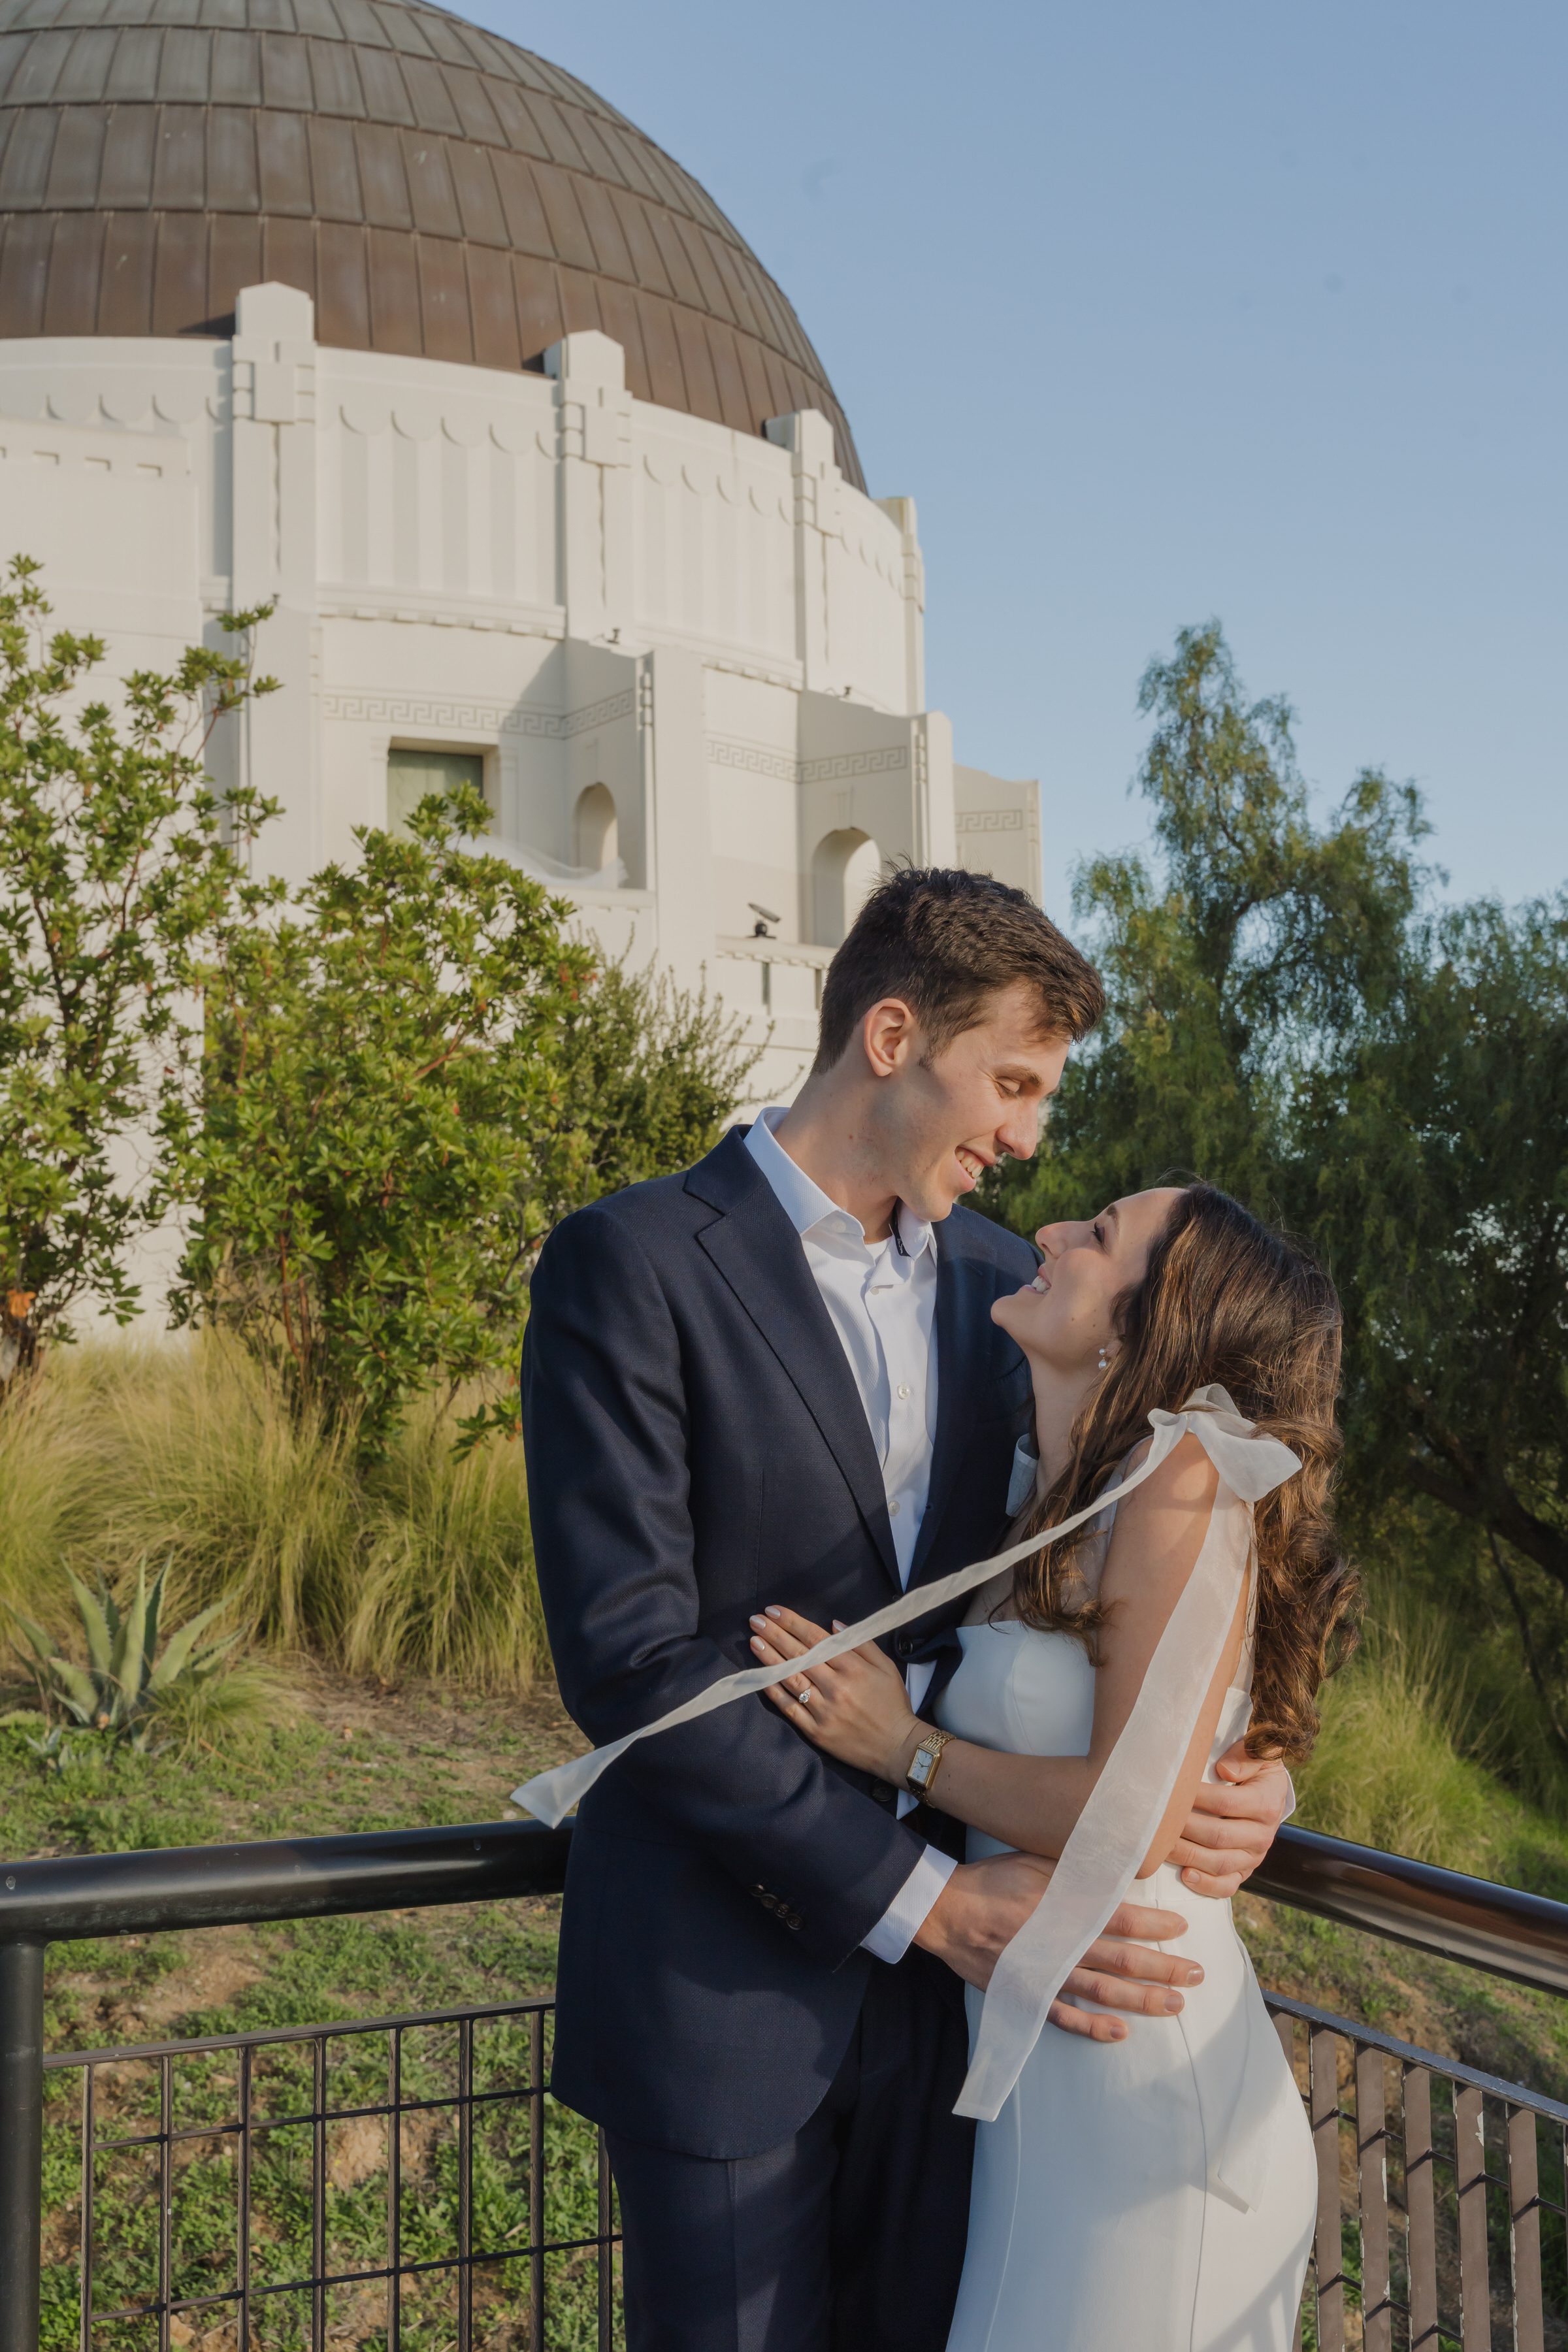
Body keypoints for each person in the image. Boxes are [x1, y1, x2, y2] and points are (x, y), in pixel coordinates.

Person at [521, 868, 1295, 2352]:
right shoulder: (626, 1265)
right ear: (891, 1036)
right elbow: (632, 1659)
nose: (1029, 1136)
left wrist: (1242, 1759)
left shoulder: (1022, 1293)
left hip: (972, 2049)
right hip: (725, 2002)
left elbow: (1171, 1554)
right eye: (1011, 1080)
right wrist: (926, 1905)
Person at [751, 1181, 1356, 2350]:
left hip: (1143, 2099)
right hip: (1031, 2083)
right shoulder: (1046, 1496)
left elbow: (1124, 1821)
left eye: (1099, 1235)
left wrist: (901, 1746)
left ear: (1146, 1323)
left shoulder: (1183, 1477)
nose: (1050, 1233)